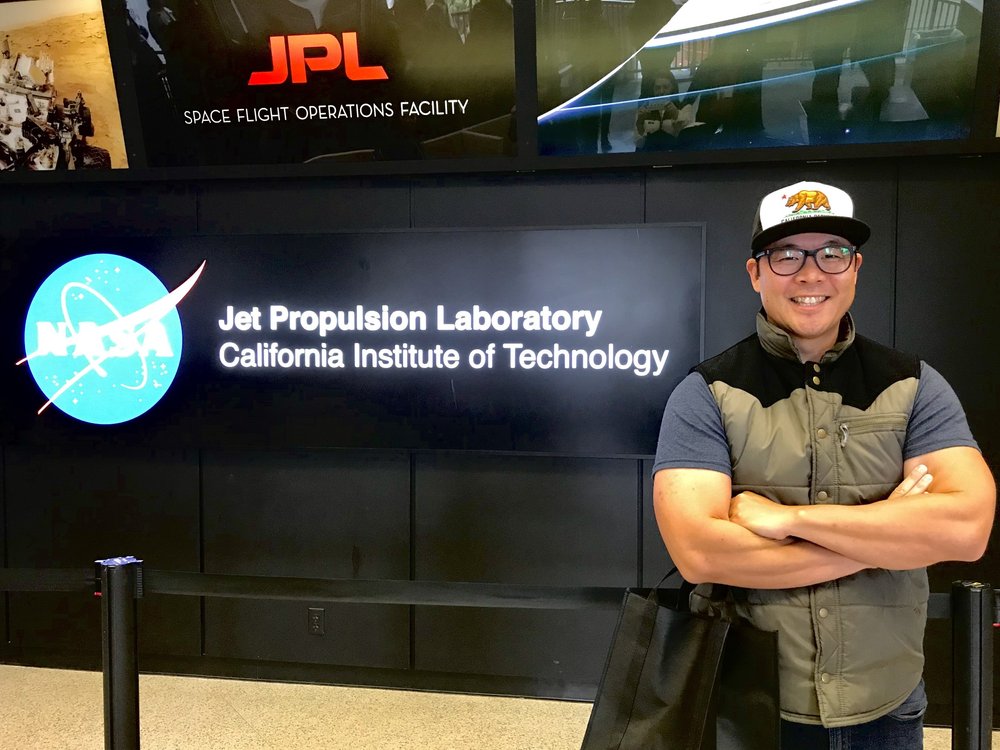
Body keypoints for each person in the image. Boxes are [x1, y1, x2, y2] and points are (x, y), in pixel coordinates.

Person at [652, 180, 996, 747]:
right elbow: (699, 552)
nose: (811, 274)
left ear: (855, 268)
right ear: (755, 273)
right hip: (753, 704)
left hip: (887, 705)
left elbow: (967, 528)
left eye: (832, 253)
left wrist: (788, 520)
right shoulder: (707, 394)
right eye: (786, 255)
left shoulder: (914, 386)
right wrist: (887, 538)